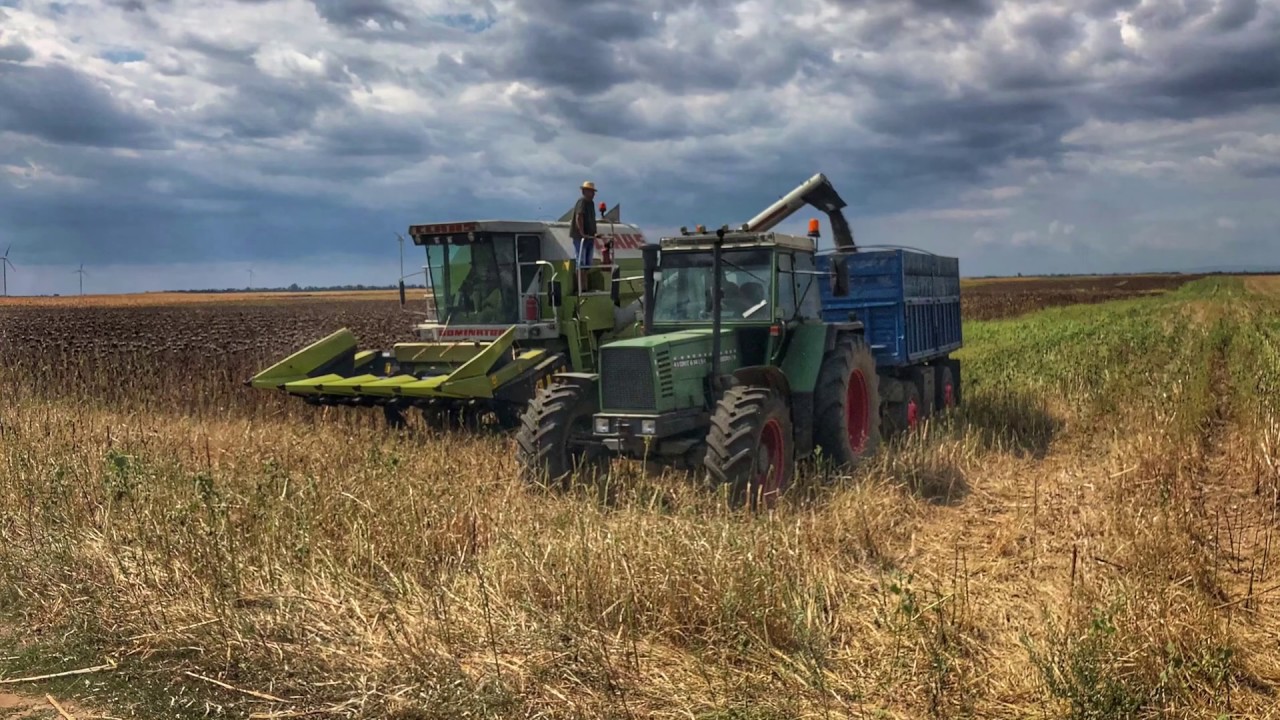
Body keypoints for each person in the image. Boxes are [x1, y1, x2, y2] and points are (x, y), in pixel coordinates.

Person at [570, 181, 599, 290]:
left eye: (593, 191)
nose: (593, 194)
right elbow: (579, 217)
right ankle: (580, 288)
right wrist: (582, 233)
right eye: (591, 191)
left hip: (589, 236)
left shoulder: (591, 204)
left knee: (587, 263)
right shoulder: (581, 202)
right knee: (580, 261)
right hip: (580, 237)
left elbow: (591, 219)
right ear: (584, 191)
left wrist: (594, 233)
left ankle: (585, 286)